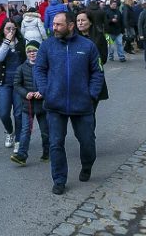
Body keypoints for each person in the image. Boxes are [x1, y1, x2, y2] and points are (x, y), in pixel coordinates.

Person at [34, 12, 103, 195]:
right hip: (55, 104)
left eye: (58, 25)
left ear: (71, 26)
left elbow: (97, 72)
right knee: (56, 143)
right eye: (53, 24)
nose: (53, 27)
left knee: (87, 141)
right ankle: (59, 180)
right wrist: (46, 90)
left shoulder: (87, 46)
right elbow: (39, 69)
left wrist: (92, 95)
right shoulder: (47, 46)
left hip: (82, 104)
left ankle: (87, 165)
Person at [10, 40, 49, 165]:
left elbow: (51, 82)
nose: (32, 53)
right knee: (26, 130)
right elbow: (17, 84)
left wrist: (42, 92)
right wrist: (25, 93)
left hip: (43, 105)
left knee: (45, 131)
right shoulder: (21, 68)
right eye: (29, 51)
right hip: (28, 106)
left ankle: (47, 152)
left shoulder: (45, 67)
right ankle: (22, 155)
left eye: (34, 51)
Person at [0, 19, 26, 151]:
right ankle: (9, 131)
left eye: (13, 28)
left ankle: (18, 140)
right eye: (8, 28)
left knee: (18, 113)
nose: (11, 31)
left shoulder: (22, 43)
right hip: (5, 83)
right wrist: (7, 41)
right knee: (3, 113)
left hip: (19, 84)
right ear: (3, 30)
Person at [75, 10, 110, 118]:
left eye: (83, 20)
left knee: (90, 112)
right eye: (78, 20)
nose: (80, 23)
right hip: (77, 80)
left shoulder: (99, 37)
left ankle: (89, 134)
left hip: (93, 79)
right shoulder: (73, 38)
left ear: (90, 22)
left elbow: (103, 59)